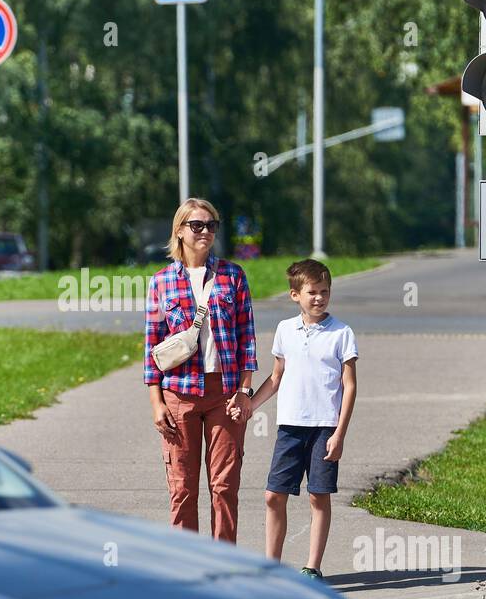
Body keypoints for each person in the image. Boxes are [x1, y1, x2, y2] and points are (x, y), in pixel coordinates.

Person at [144, 198, 257, 543]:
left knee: (224, 486)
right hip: (178, 393)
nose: (205, 231)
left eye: (211, 225)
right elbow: (152, 346)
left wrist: (244, 391)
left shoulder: (232, 276)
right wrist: (156, 402)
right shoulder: (161, 282)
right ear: (179, 231)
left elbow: (246, 339)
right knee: (182, 487)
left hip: (224, 394)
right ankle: (188, 564)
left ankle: (224, 563)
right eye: (197, 225)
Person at [239, 259, 357, 578]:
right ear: (295, 295)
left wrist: (340, 434)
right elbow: (277, 377)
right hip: (290, 428)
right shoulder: (284, 330)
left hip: (325, 429)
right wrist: (250, 405)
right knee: (273, 495)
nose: (319, 297)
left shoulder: (341, 333)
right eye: (312, 292)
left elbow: (350, 386)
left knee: (319, 496)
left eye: (325, 291)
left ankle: (312, 567)